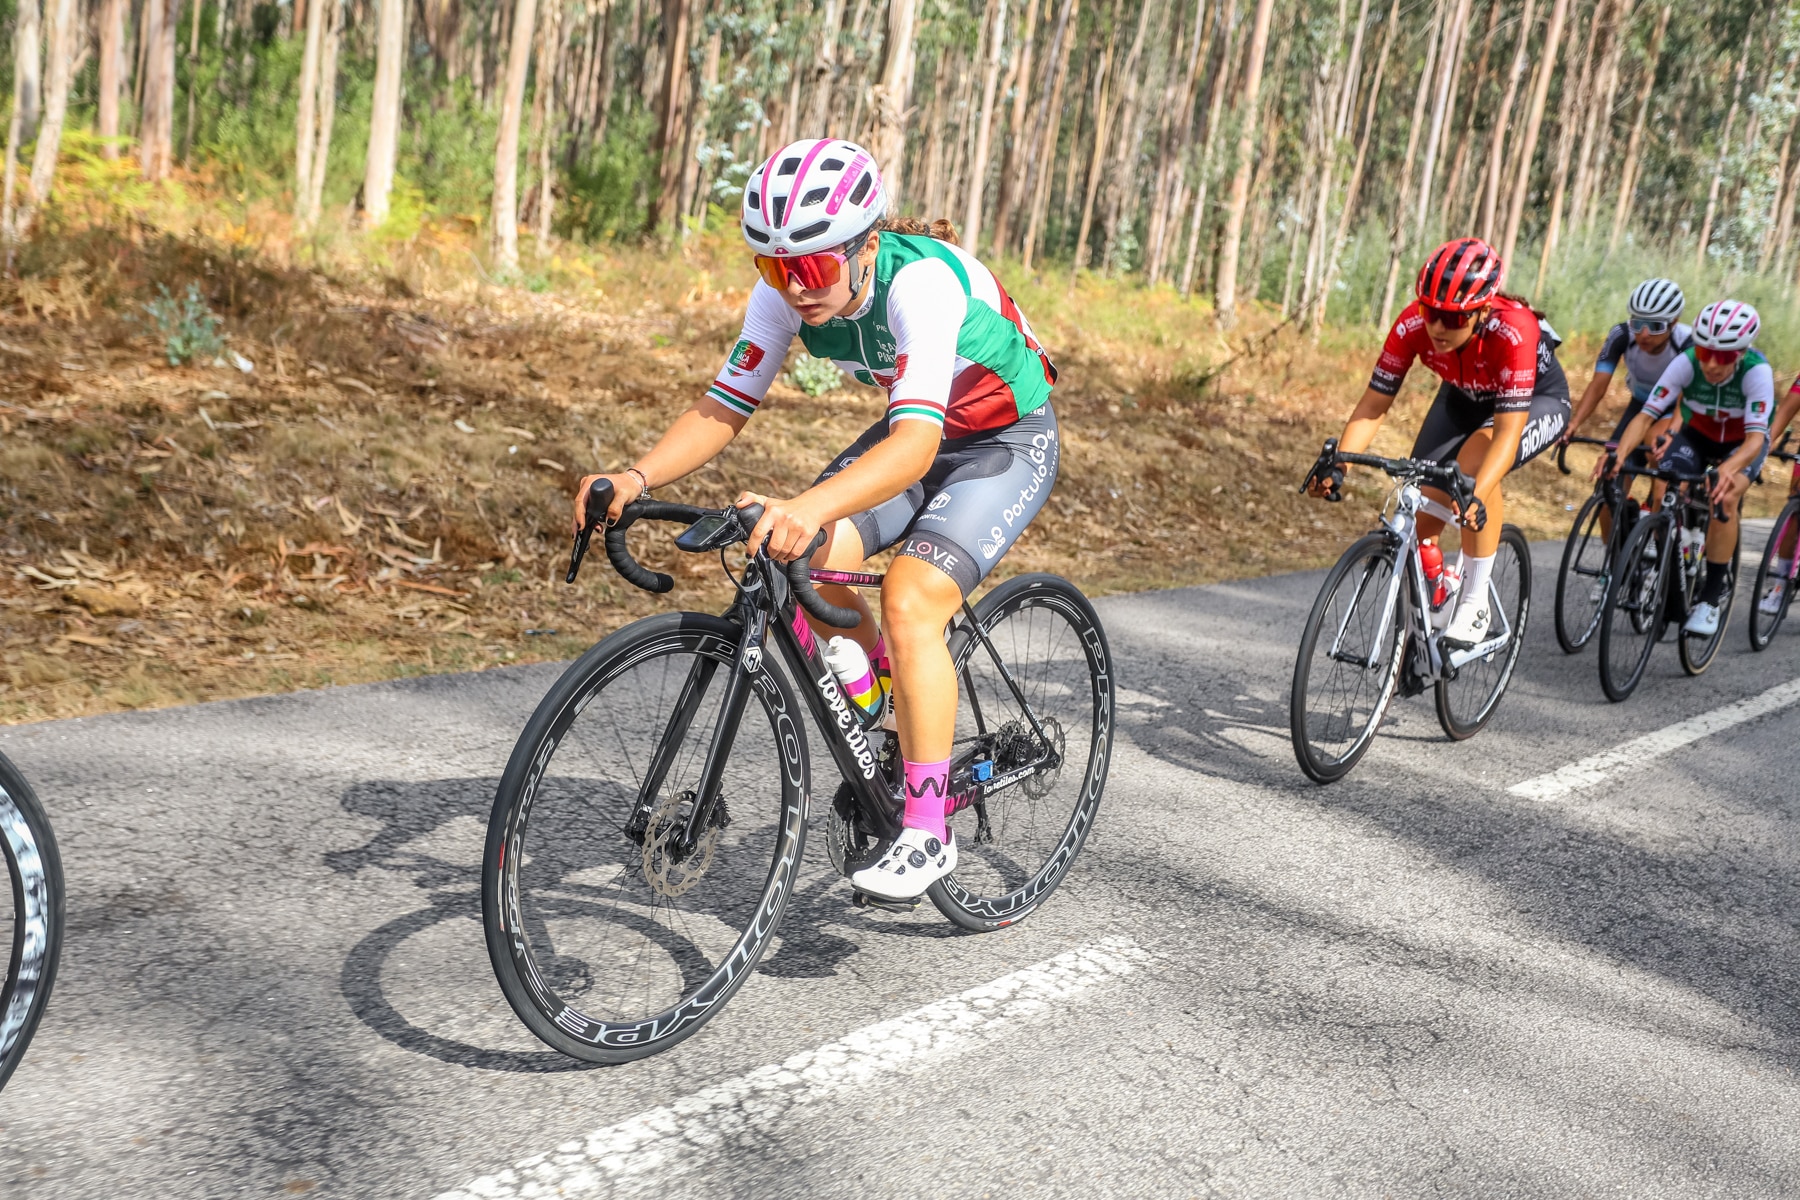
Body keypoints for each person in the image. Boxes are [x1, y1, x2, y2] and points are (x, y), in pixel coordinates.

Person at [571, 138, 1059, 902]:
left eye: (810, 268)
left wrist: (806, 503)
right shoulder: (785, 294)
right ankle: (894, 699)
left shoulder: (920, 286)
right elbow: (722, 405)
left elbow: (916, 446)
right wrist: (635, 475)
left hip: (1003, 443)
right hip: (916, 434)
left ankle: (927, 829)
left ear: (865, 247)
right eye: (772, 267)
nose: (793, 289)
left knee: (910, 597)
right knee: (807, 563)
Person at [1309, 237, 1570, 647]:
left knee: (1473, 469)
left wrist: (1477, 494)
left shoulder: (1515, 330)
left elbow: (1505, 432)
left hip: (1535, 401)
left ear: (1482, 312)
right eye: (1431, 312)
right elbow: (1376, 402)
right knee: (1419, 515)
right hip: (1463, 396)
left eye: (1453, 318)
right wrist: (1340, 463)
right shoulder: (1412, 324)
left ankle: (1475, 597)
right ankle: (1436, 592)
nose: (1437, 327)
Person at [1606, 300, 1772, 637]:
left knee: (1724, 497)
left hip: (1741, 444)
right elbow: (1646, 414)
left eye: (1723, 357)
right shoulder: (1687, 362)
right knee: (1667, 484)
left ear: (1740, 354)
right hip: (1698, 436)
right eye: (1705, 352)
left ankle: (1710, 600)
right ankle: (1671, 562)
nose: (1711, 363)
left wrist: (1730, 468)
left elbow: (1756, 439)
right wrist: (1619, 454)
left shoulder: (1757, 371)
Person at [1562, 279, 1692, 535]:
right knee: (1608, 486)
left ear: (1674, 322)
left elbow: (1684, 402)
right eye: (1638, 323)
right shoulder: (1621, 335)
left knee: (1659, 472)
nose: (1643, 333)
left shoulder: (1688, 343)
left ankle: (1658, 535)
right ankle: (1619, 565)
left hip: (1676, 408)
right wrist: (1574, 423)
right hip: (1640, 405)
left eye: (1654, 326)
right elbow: (1598, 385)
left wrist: (1671, 436)